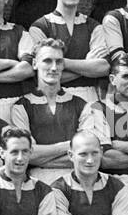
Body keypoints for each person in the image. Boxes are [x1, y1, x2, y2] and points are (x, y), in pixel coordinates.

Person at [8, 39, 108, 184]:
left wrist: (40, 158)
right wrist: (72, 146)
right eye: (47, 61)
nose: (54, 68)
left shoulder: (81, 105)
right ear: (35, 64)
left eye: (59, 62)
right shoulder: (21, 106)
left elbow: (87, 155)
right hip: (37, 183)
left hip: (76, 182)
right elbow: (26, 154)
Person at [26, 0, 109, 103]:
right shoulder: (40, 27)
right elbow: (44, 74)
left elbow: (103, 68)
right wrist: (87, 65)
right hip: (54, 100)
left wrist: (61, 63)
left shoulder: (94, 26)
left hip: (90, 100)